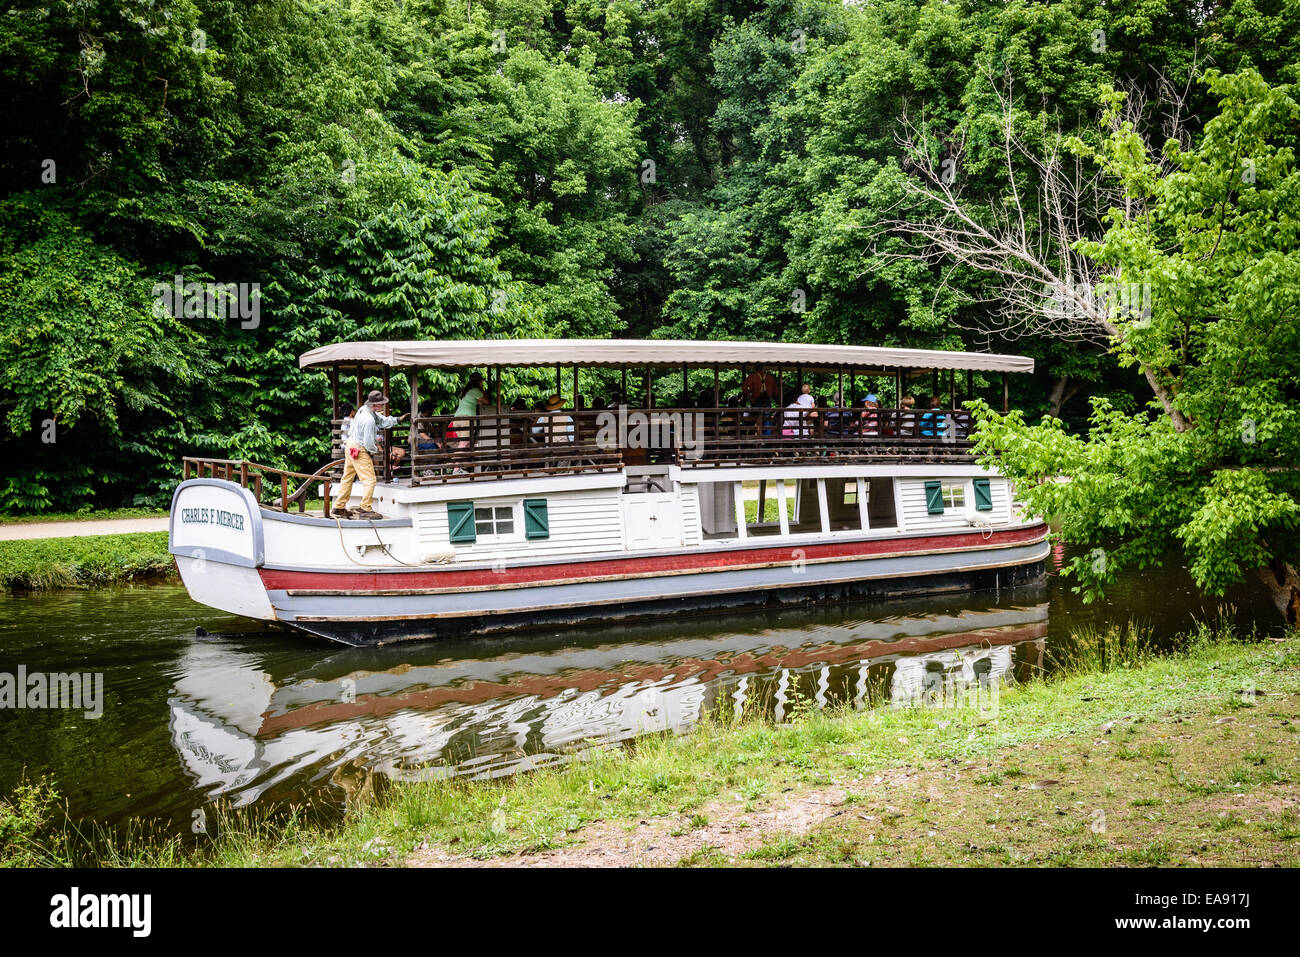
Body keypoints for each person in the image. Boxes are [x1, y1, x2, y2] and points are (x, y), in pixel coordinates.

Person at [333, 390, 407, 520]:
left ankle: (339, 506)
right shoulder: (368, 420)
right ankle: (365, 508)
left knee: (347, 477)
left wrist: (397, 420)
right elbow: (368, 442)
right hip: (359, 448)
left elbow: (382, 421)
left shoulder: (365, 410)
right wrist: (374, 451)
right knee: (370, 479)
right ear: (375, 405)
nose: (383, 406)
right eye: (381, 404)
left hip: (351, 445)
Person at [452, 372, 490, 451]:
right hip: (466, 419)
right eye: (481, 381)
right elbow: (486, 401)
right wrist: (482, 389)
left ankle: (461, 462)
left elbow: (479, 403)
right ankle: (454, 461)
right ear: (478, 382)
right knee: (464, 443)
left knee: (466, 443)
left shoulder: (465, 391)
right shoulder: (475, 390)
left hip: (457, 419)